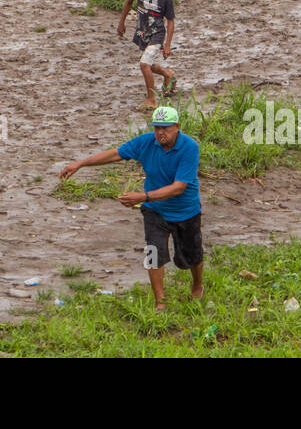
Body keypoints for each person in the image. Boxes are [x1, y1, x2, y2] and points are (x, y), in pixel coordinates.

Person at [59, 105, 203, 312]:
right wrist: (80, 164)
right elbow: (115, 154)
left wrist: (142, 196)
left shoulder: (189, 147)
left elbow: (178, 188)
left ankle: (197, 284)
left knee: (192, 256)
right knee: (153, 252)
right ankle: (160, 302)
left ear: (177, 127)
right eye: (157, 128)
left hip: (186, 211)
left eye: (166, 127)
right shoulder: (146, 142)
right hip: (155, 211)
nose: (160, 132)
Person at [118, 0, 176, 110]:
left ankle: (151, 99)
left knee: (144, 64)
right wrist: (122, 22)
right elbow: (128, 2)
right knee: (148, 64)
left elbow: (170, 22)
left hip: (157, 34)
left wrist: (167, 44)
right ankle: (167, 73)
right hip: (143, 32)